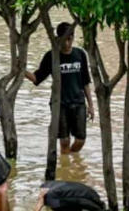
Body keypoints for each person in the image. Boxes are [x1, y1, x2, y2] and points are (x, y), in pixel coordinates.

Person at [25, 22, 94, 154]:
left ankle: (70, 162)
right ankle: (65, 165)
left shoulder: (80, 54)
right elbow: (37, 78)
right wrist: (21, 70)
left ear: (73, 37)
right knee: (64, 141)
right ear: (58, 39)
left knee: (80, 140)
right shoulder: (51, 56)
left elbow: (86, 81)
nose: (67, 43)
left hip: (78, 102)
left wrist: (90, 105)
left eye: (70, 39)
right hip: (60, 104)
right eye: (64, 40)